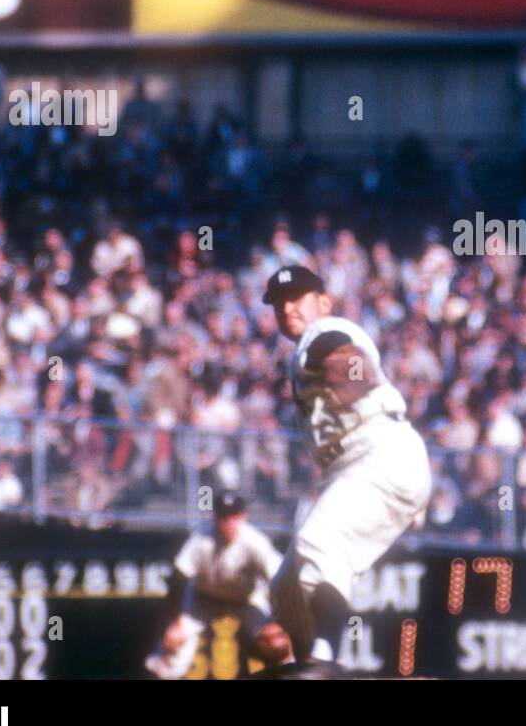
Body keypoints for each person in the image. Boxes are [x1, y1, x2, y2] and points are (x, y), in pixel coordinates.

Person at [259, 265, 432, 677]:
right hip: (359, 464)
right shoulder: (301, 351)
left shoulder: (324, 330)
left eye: (296, 298)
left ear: (323, 301)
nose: (287, 308)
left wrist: (350, 372)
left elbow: (344, 355)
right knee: (286, 587)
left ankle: (324, 660)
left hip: (381, 452)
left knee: (320, 542)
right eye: (279, 304)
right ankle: (306, 665)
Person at [145, 491, 283, 679]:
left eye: (233, 516)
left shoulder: (255, 542)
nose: (228, 522)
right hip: (203, 599)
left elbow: (280, 580)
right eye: (223, 516)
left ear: (243, 516)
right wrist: (175, 624)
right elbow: (178, 579)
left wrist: (277, 621)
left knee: (277, 643)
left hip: (246, 601)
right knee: (172, 649)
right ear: (215, 516)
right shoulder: (202, 539)